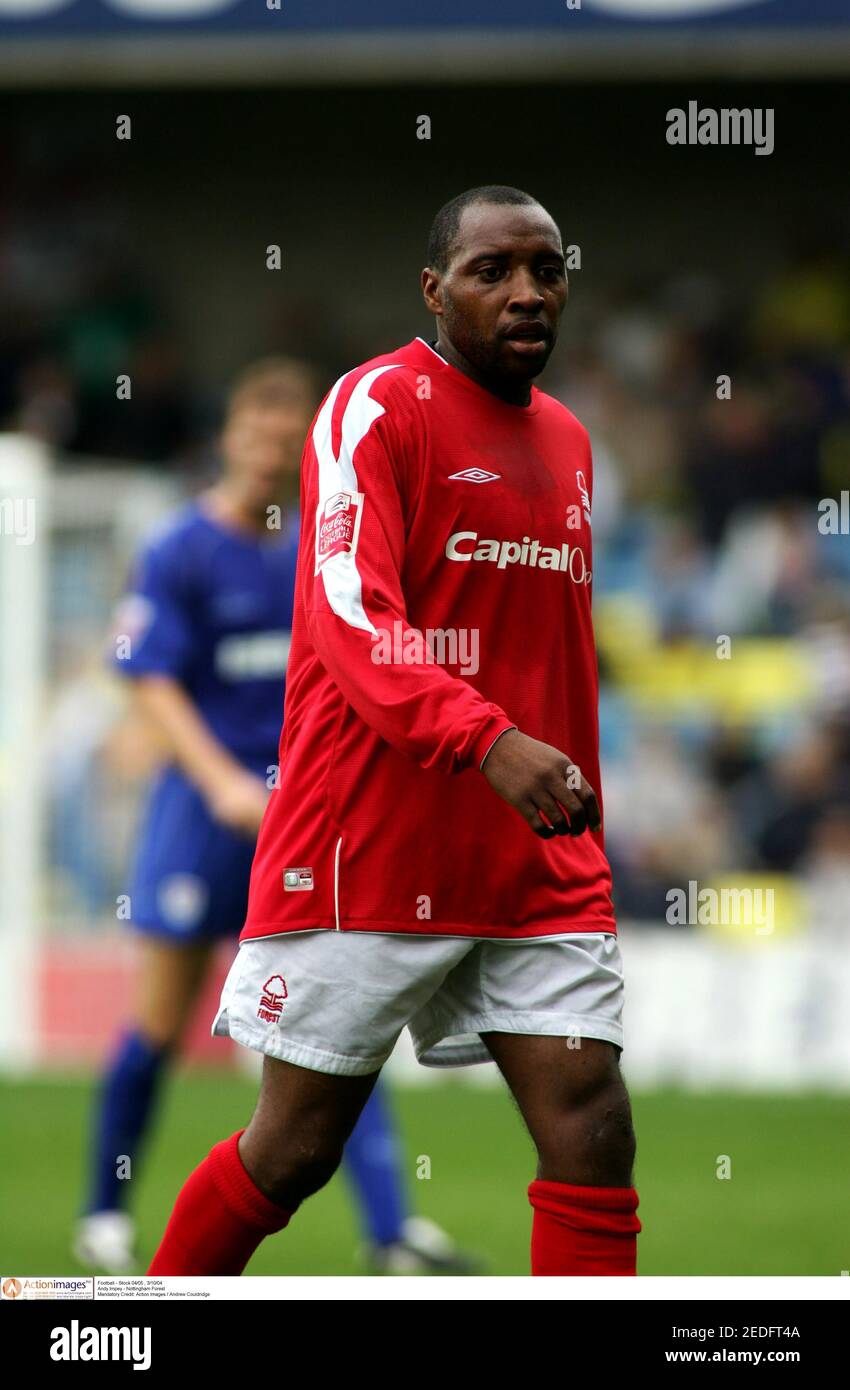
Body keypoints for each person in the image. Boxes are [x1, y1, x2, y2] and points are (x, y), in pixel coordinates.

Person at [148, 185, 641, 1278]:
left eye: (545, 270)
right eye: (491, 271)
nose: (525, 293)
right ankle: (139, 1324)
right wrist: (486, 739)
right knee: (295, 1146)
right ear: (433, 290)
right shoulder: (374, 406)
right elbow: (351, 617)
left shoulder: (567, 440)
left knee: (592, 1129)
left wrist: (563, 802)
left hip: (534, 855)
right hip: (372, 843)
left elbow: (549, 654)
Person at [74, 357, 475, 1275]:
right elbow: (147, 674)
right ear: (228, 438)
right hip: (204, 815)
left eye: (285, 434)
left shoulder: (325, 547)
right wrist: (218, 780)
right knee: (161, 1022)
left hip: (304, 818)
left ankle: (390, 1235)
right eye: (253, 430)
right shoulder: (180, 548)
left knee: (339, 1016)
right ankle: (104, 1212)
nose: (267, 449)